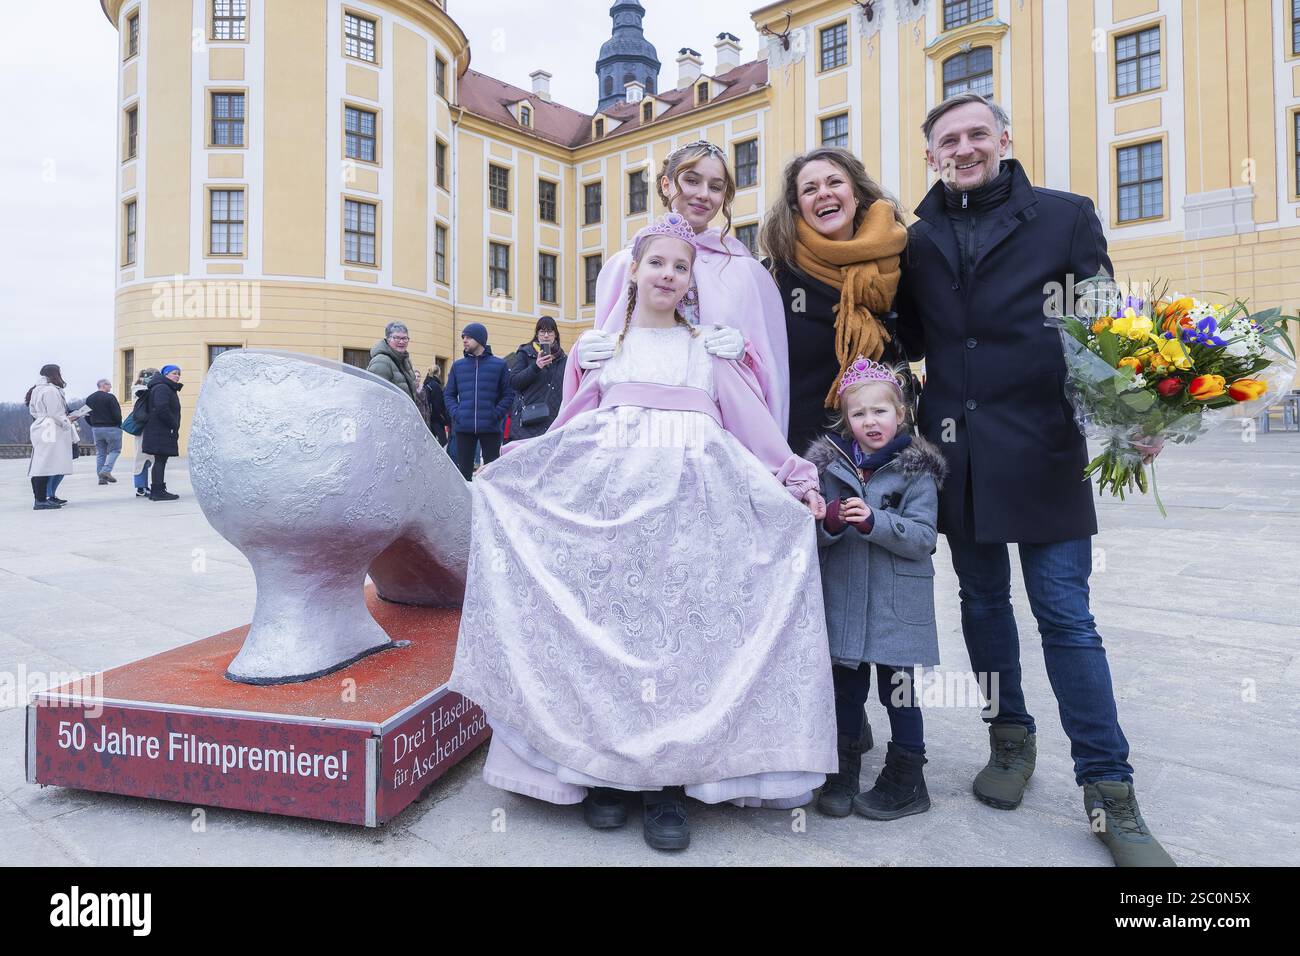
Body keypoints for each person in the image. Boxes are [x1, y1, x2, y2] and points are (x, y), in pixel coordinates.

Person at [448, 214, 837, 852]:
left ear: (691, 281)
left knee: (681, 650)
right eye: (657, 262)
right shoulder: (605, 349)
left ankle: (668, 787)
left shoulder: (708, 351)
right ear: (634, 270)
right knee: (609, 643)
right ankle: (606, 774)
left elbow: (752, 426)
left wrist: (793, 478)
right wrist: (515, 466)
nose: (669, 274)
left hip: (696, 526)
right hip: (612, 526)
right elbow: (570, 427)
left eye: (681, 267)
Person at [893, 92, 1174, 866]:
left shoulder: (1064, 215)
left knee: (1065, 616)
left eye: (978, 133)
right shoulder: (916, 242)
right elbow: (908, 338)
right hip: (960, 455)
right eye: (949, 139)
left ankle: (1109, 788)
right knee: (982, 603)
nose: (965, 147)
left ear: (1004, 138)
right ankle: (1009, 739)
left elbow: (1107, 322)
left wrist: (1137, 412)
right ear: (932, 155)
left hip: (1045, 446)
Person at [564, 141, 790, 435]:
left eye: (715, 186)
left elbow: (772, 371)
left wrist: (746, 354)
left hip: (715, 428)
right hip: (634, 428)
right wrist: (582, 357)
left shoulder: (745, 271)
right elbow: (608, 353)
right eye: (692, 181)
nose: (703, 195)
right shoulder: (625, 264)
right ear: (667, 184)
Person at [806, 357, 946, 820]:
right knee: (846, 691)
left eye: (880, 412)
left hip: (894, 605)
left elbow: (923, 538)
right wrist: (826, 522)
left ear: (900, 414)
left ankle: (907, 777)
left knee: (898, 693)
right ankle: (843, 771)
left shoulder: (917, 471)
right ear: (846, 420)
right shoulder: (830, 466)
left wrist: (875, 521)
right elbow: (815, 535)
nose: (871, 421)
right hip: (846, 601)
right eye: (859, 414)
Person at [759, 147, 909, 457]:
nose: (823, 194)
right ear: (797, 207)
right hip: (802, 457)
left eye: (834, 183)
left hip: (883, 460)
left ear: (855, 194)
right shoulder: (774, 276)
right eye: (810, 189)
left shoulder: (896, 264)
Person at [444, 323, 513, 481]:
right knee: (463, 476)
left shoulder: (499, 365)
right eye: (463, 337)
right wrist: (457, 413)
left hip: (491, 428)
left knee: (492, 474)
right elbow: (449, 394)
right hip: (464, 427)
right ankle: (467, 505)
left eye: (468, 337)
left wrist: (495, 415)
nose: (464, 340)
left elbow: (508, 395)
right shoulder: (458, 366)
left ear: (480, 339)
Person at [25, 365, 82, 510]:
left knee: (41, 462)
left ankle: (41, 498)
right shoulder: (51, 390)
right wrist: (67, 421)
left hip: (41, 426)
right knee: (45, 464)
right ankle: (41, 500)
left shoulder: (37, 389)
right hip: (50, 428)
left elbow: (33, 410)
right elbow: (55, 413)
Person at [505, 317, 567, 442]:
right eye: (542, 332)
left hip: (552, 421)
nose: (546, 335)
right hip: (529, 419)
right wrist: (536, 366)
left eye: (549, 332)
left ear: (555, 335)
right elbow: (514, 382)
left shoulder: (563, 359)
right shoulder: (525, 353)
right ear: (537, 335)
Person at [366, 321, 427, 418]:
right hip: (390, 423)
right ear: (388, 339)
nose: (401, 342)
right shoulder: (381, 362)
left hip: (405, 421)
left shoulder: (405, 360)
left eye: (405, 338)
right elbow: (373, 398)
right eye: (397, 338)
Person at [142, 365, 183, 501]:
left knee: (160, 460)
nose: (177, 376)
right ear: (165, 375)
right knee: (160, 460)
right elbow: (161, 408)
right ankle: (158, 491)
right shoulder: (162, 388)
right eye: (174, 373)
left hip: (159, 429)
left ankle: (157, 490)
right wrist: (173, 424)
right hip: (160, 430)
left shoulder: (164, 387)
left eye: (178, 374)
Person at [85, 378, 123, 485]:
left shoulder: (90, 398)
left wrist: (93, 424)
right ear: (104, 385)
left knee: (101, 453)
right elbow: (117, 414)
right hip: (111, 427)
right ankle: (106, 471)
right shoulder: (110, 397)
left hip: (96, 429)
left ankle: (101, 479)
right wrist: (119, 425)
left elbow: (86, 415)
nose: (110, 387)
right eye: (109, 385)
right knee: (115, 450)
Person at [128, 368, 158, 497]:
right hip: (143, 428)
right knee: (141, 458)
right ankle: (140, 487)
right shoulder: (139, 389)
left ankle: (144, 486)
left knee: (148, 458)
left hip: (150, 427)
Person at [420, 367, 450, 447]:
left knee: (431, 441)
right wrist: (443, 417)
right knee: (443, 441)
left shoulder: (426, 383)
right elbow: (438, 403)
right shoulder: (435, 385)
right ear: (438, 373)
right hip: (436, 418)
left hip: (428, 416)